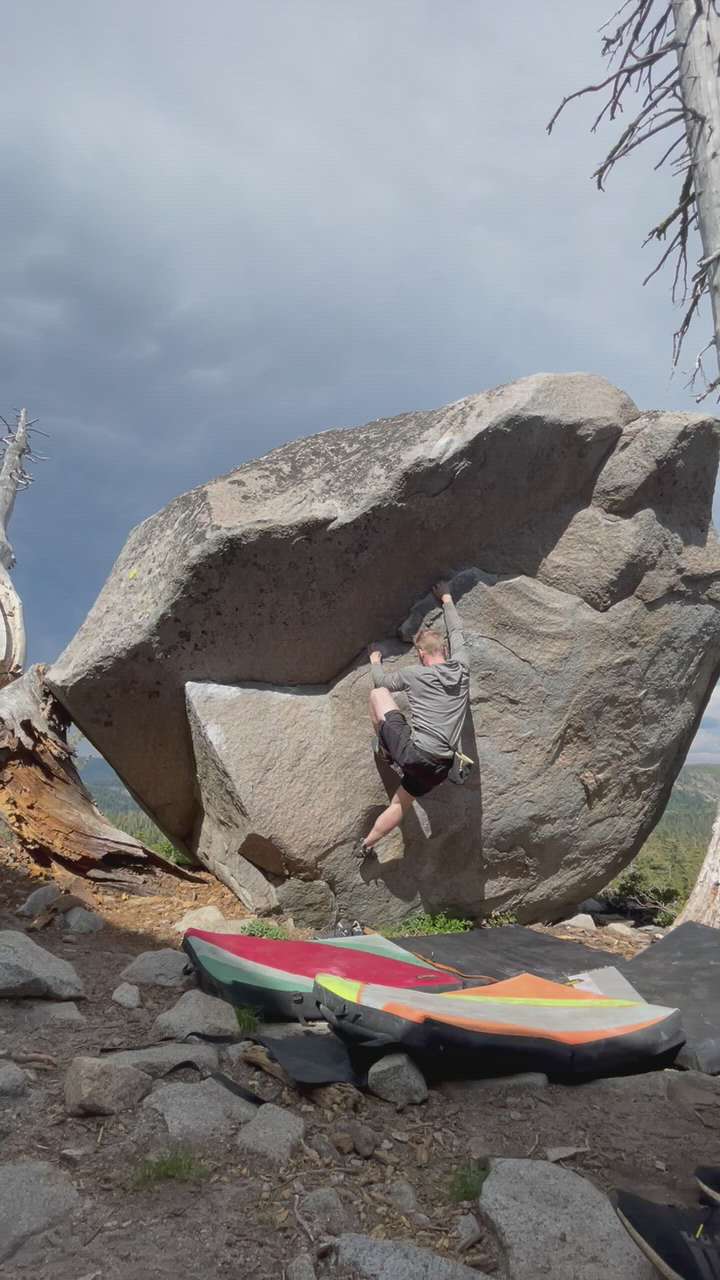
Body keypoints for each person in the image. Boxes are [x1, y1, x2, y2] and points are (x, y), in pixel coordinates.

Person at [359, 580, 470, 856]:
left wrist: (374, 660)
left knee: (379, 695)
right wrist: (446, 598)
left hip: (414, 754)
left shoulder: (415, 674)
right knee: (400, 804)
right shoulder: (463, 668)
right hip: (440, 768)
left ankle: (385, 751)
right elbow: (457, 630)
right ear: (444, 650)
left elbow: (381, 681)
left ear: (421, 655)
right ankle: (367, 845)